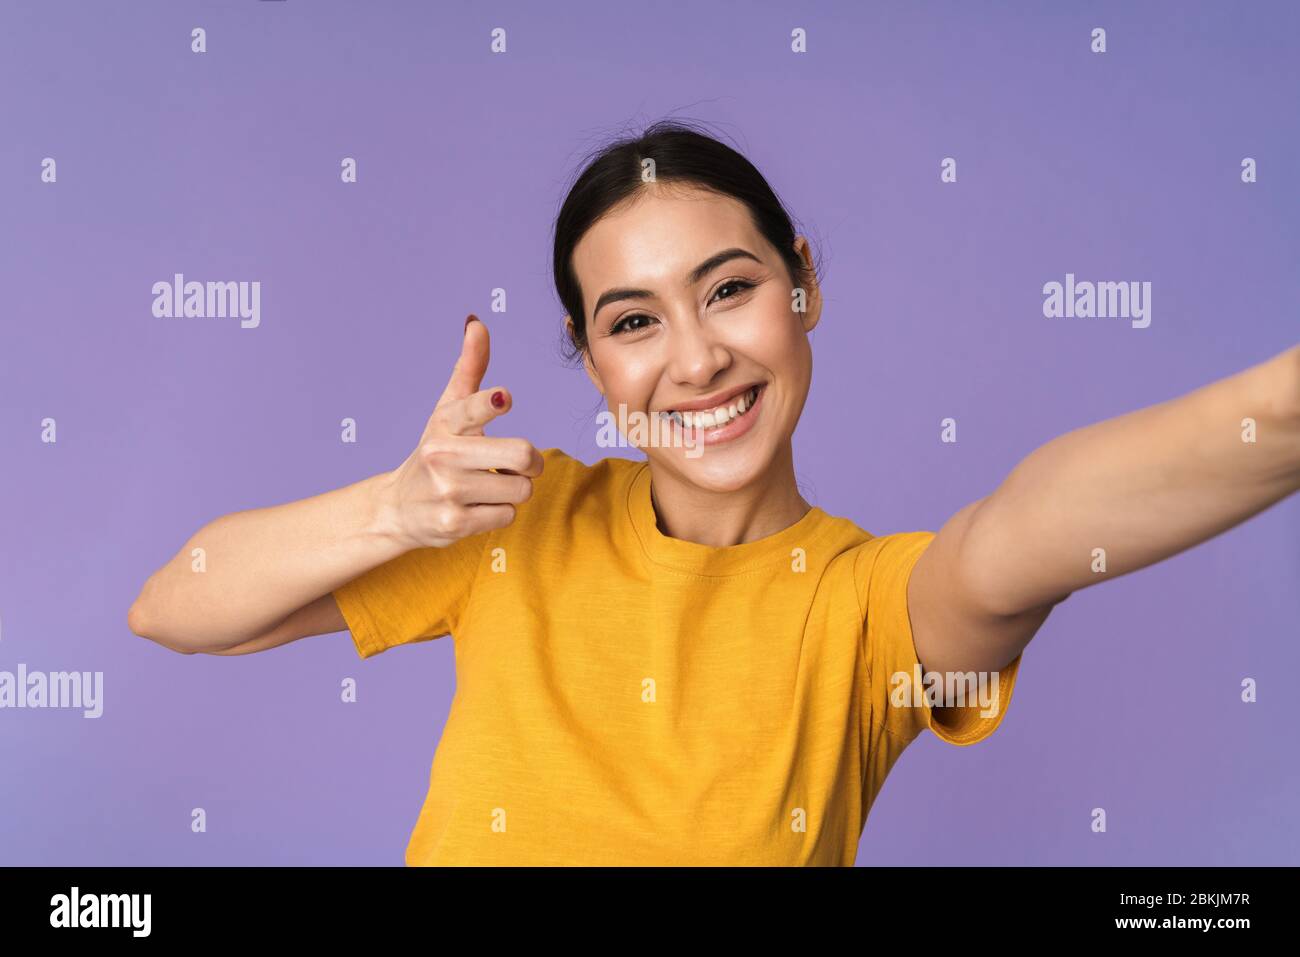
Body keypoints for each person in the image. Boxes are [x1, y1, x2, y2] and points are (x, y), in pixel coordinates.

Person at [128, 120, 1300, 866]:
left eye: (728, 289)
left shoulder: (868, 612)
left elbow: (1024, 533)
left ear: (802, 290)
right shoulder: (513, 518)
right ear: (594, 368)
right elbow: (175, 608)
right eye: (633, 322)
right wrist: (392, 508)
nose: (693, 359)